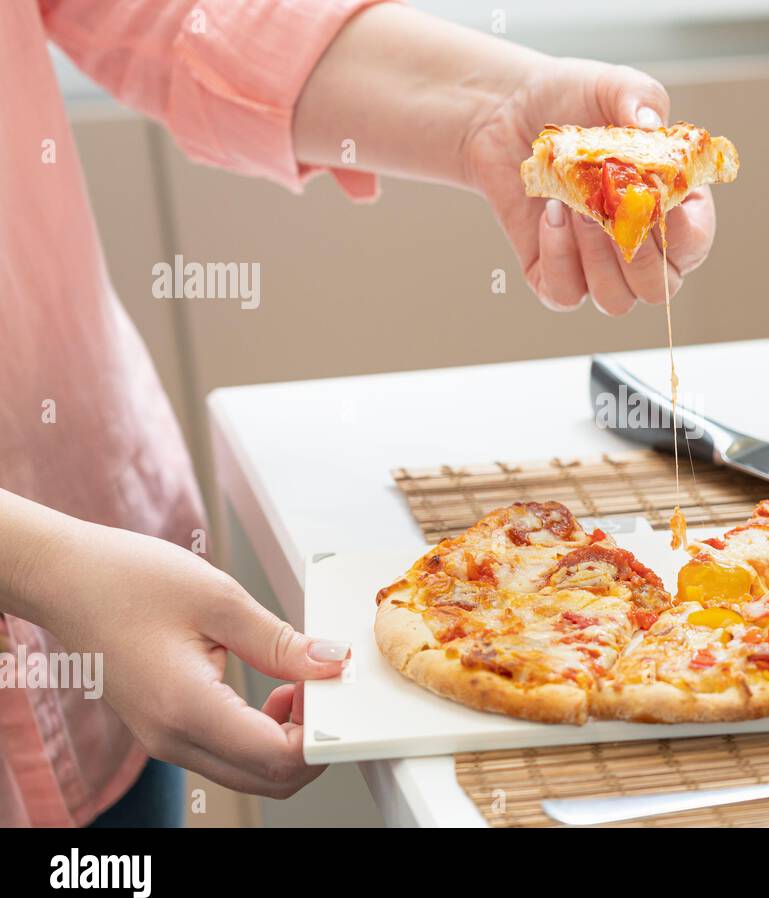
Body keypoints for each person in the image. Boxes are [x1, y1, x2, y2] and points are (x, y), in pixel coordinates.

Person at [0, 0, 718, 827]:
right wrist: (45, 569)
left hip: (108, 592)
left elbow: (179, 13)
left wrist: (496, 110)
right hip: (101, 602)